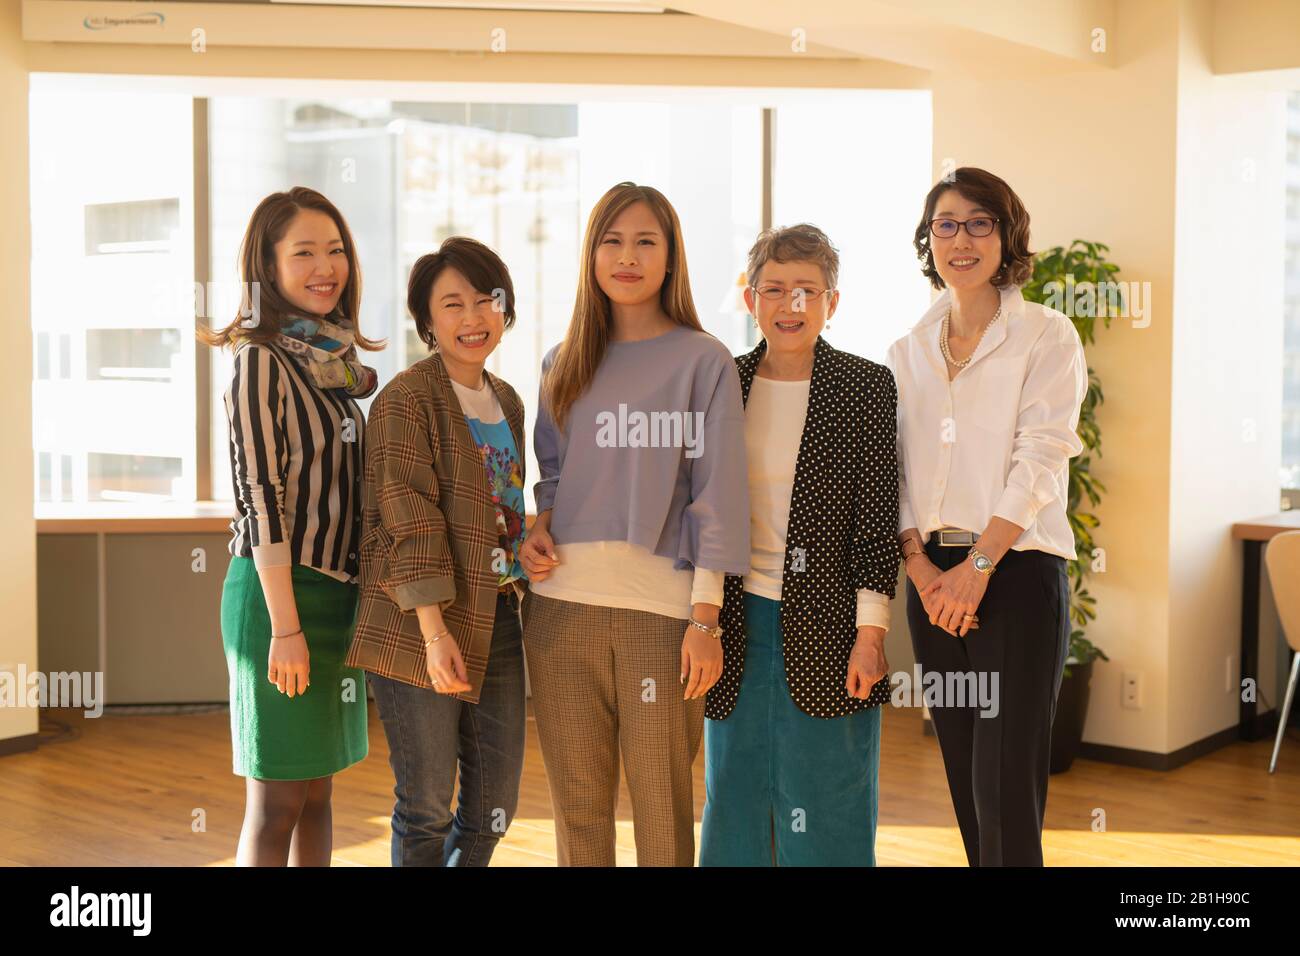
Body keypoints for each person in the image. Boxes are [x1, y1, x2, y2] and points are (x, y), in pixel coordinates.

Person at [519, 181, 750, 866]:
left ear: (671, 257)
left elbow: (720, 494)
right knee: (579, 821)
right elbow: (553, 481)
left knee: (663, 819)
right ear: (591, 257)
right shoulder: (561, 363)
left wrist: (705, 620)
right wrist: (537, 529)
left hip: (663, 617)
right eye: (612, 241)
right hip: (560, 614)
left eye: (645, 241)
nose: (627, 256)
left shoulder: (703, 360)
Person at [888, 166, 1087, 866]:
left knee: (1005, 786)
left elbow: (1041, 457)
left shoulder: (1046, 335)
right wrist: (921, 571)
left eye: (980, 223)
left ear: (1007, 236)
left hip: (1015, 575)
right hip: (932, 584)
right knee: (967, 783)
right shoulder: (906, 351)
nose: (962, 238)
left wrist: (976, 568)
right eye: (946, 224)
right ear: (928, 239)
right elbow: (899, 471)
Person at [700, 224, 900, 866]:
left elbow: (877, 520)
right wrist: (702, 616)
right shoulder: (722, 382)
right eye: (775, 289)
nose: (791, 305)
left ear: (831, 303)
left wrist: (871, 635)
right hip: (739, 623)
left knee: (830, 797)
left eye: (807, 291)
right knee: (734, 794)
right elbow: (705, 511)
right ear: (751, 298)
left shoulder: (867, 386)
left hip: (833, 625)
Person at [201, 186, 381, 866]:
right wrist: (285, 628)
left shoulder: (334, 368)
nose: (324, 266)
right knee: (276, 803)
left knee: (318, 794)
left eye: (334, 250)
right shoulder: (258, 361)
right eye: (302, 252)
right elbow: (261, 498)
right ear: (267, 269)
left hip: (337, 595)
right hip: (279, 599)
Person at [346, 237, 528, 866]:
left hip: (499, 615)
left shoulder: (508, 400)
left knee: (493, 808)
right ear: (427, 321)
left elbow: (502, 510)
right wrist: (432, 630)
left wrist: (531, 544)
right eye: (452, 304)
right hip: (417, 622)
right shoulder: (406, 398)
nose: (472, 318)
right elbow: (407, 516)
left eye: (485, 301)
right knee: (425, 807)